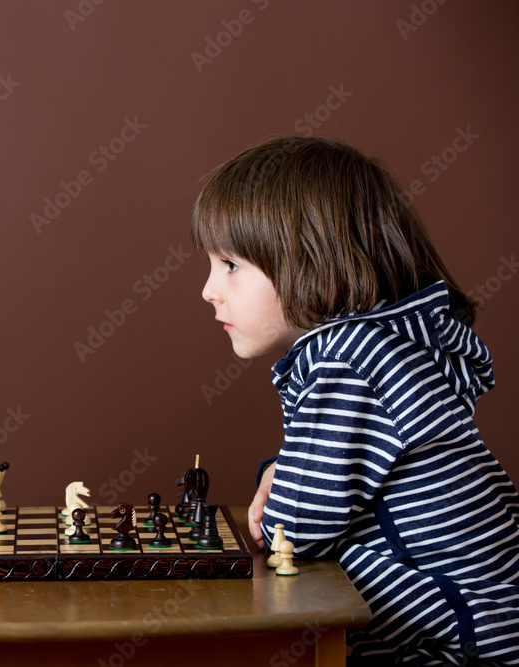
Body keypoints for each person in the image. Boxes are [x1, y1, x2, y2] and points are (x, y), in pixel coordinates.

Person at [192, 136, 519, 665]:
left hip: (463, 647)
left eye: (230, 264)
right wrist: (284, 470)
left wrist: (275, 484)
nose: (209, 289)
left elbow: (294, 529)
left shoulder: (348, 358)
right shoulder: (383, 345)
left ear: (314, 262)